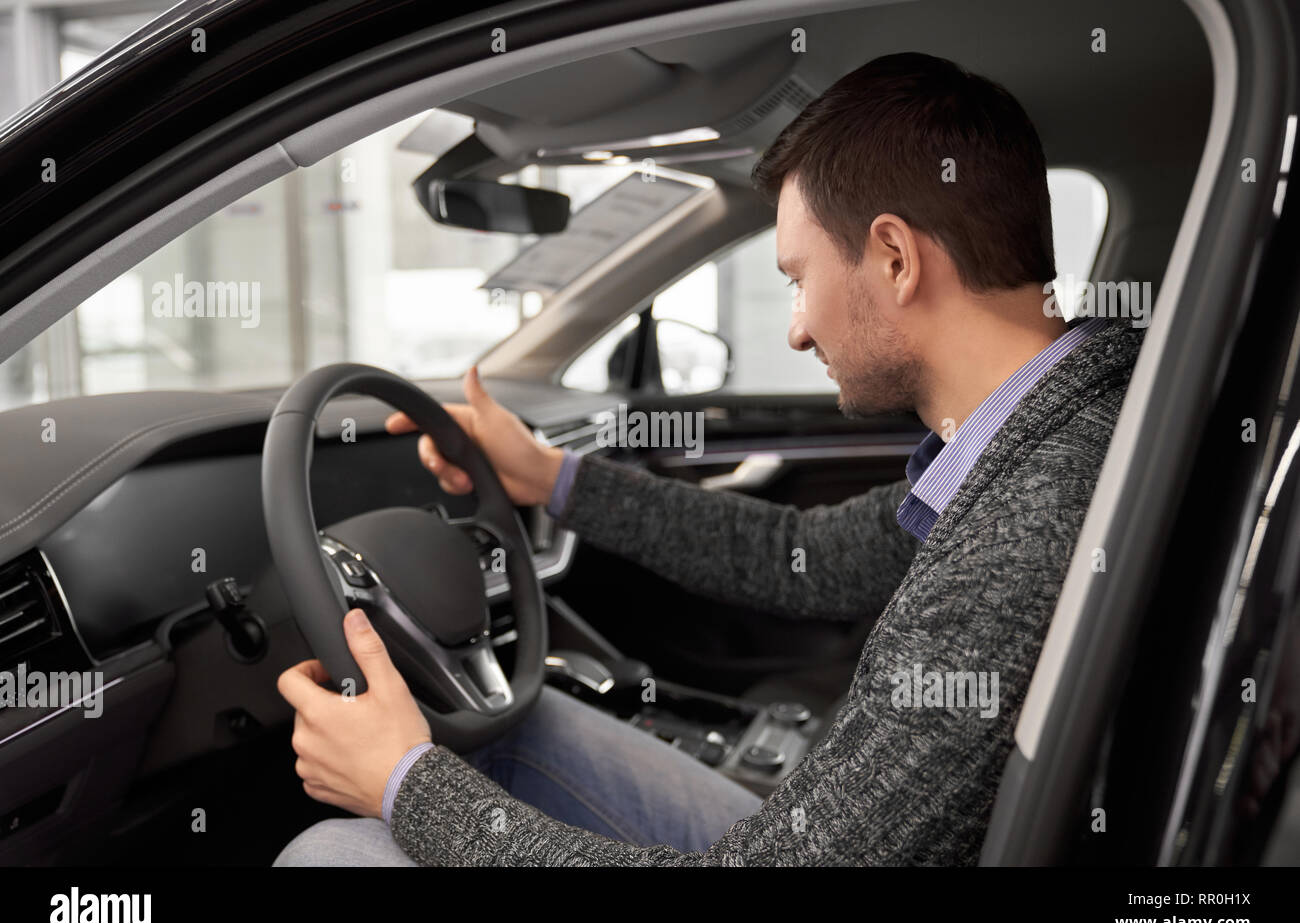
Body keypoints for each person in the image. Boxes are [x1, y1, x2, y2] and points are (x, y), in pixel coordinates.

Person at [273, 51, 1143, 866]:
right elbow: (805, 560)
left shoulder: (1027, 525)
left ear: (894, 256)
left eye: (799, 278)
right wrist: (549, 476)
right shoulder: (1041, 440)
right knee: (513, 730)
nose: (797, 327)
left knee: (328, 855)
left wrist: (404, 783)